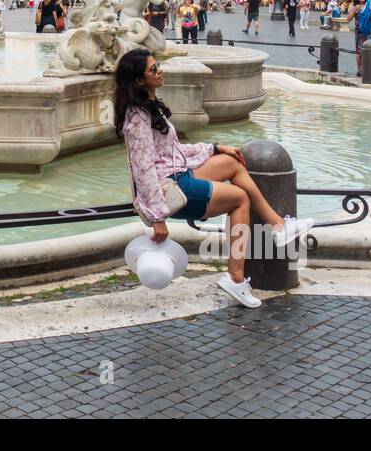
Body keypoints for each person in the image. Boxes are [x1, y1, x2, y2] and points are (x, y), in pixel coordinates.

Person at [116, 49, 313, 309]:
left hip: (175, 174)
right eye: (153, 70)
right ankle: (236, 277)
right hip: (170, 189)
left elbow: (173, 152)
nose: (160, 70)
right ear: (139, 80)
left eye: (158, 65)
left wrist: (216, 147)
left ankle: (278, 226)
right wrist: (158, 218)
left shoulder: (149, 108)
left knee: (233, 163)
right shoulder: (137, 118)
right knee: (239, 199)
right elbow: (143, 170)